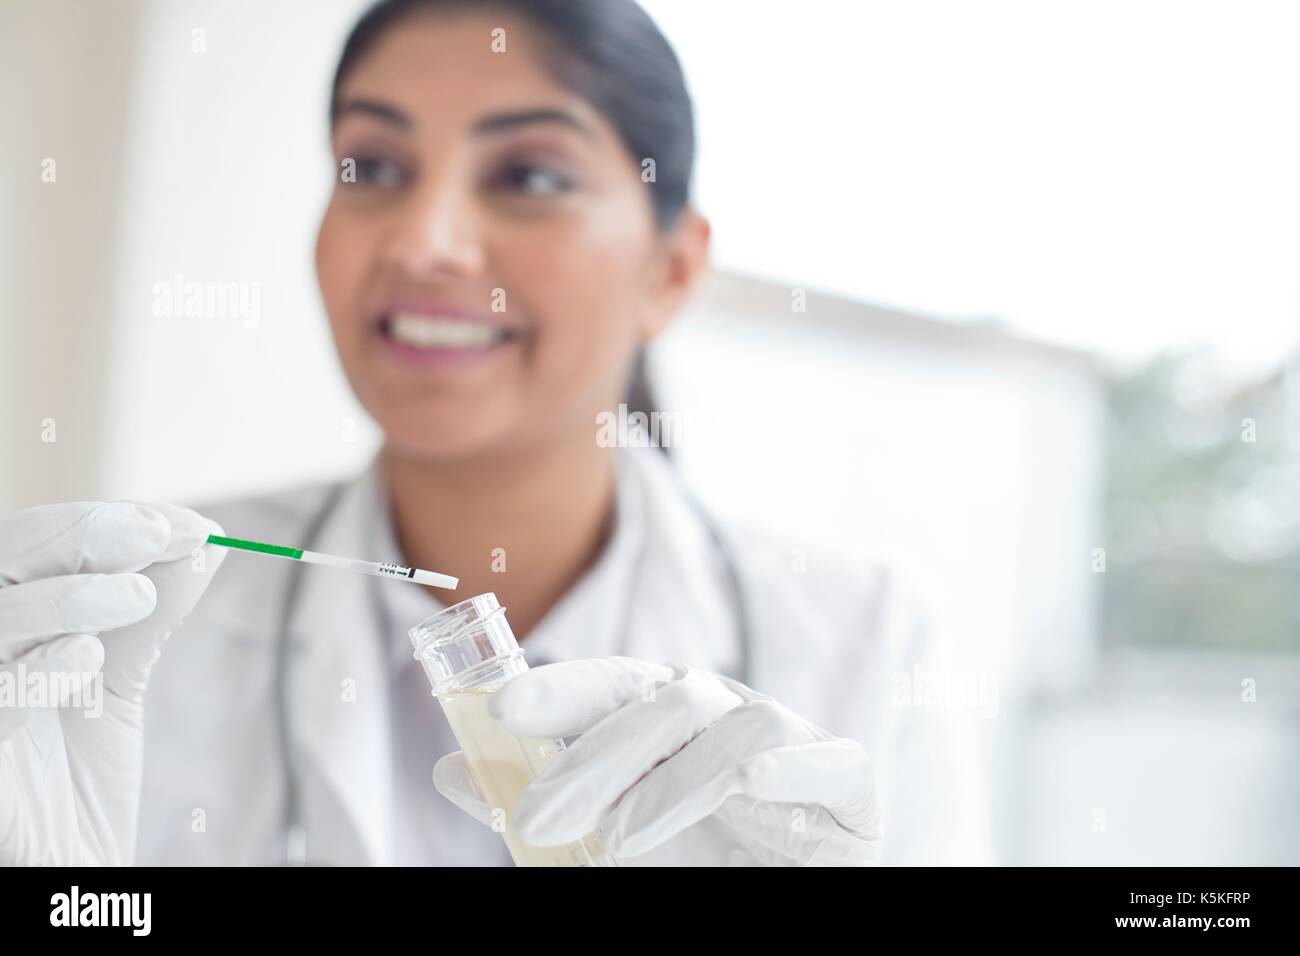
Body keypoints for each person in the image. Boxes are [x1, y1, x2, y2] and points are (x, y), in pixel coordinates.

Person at [0, 0, 987, 866]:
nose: (423, 239)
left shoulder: (860, 637)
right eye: (375, 164)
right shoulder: (124, 630)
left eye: (532, 174)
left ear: (672, 271)